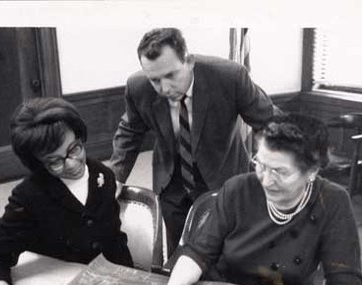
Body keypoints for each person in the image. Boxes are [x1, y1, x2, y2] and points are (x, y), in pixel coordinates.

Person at [148, 113, 362, 285]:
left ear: (312, 171)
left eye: (280, 172)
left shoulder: (333, 200)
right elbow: (198, 252)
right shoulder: (238, 188)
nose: (266, 180)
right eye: (260, 164)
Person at [109, 28, 274, 254]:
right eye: (155, 80)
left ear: (189, 61)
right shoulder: (137, 86)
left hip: (223, 178)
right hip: (172, 183)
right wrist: (116, 177)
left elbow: (269, 123)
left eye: (171, 75)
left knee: (227, 253)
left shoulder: (230, 76)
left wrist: (273, 167)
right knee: (182, 252)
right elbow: (129, 130)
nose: (164, 88)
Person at [0, 97, 133, 285]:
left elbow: (114, 240)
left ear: (80, 136)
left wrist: (131, 283)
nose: (72, 164)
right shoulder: (29, 197)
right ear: (38, 163)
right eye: (55, 161)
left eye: (74, 149)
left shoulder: (103, 175)